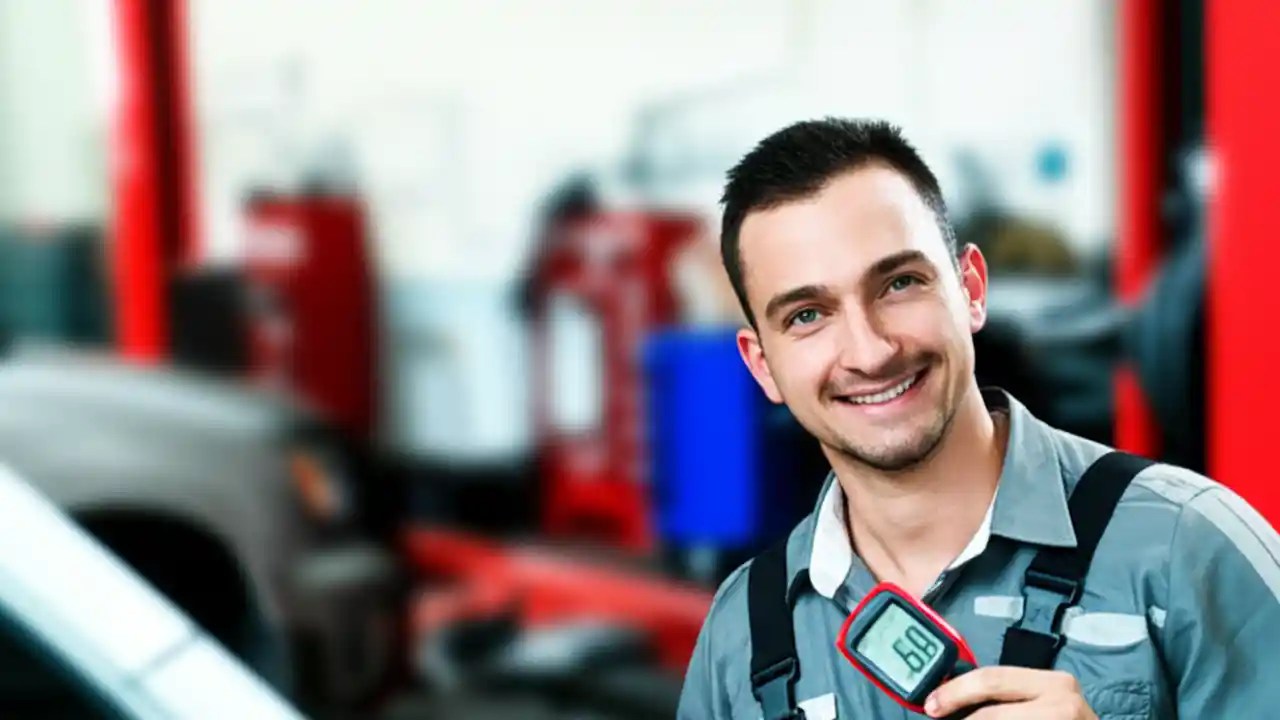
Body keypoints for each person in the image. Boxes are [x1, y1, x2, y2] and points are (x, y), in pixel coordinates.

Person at [677, 118, 1280, 719]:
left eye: (899, 284)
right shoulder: (742, 635)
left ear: (970, 288)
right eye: (808, 315)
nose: (870, 352)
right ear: (762, 366)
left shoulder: (1189, 549)